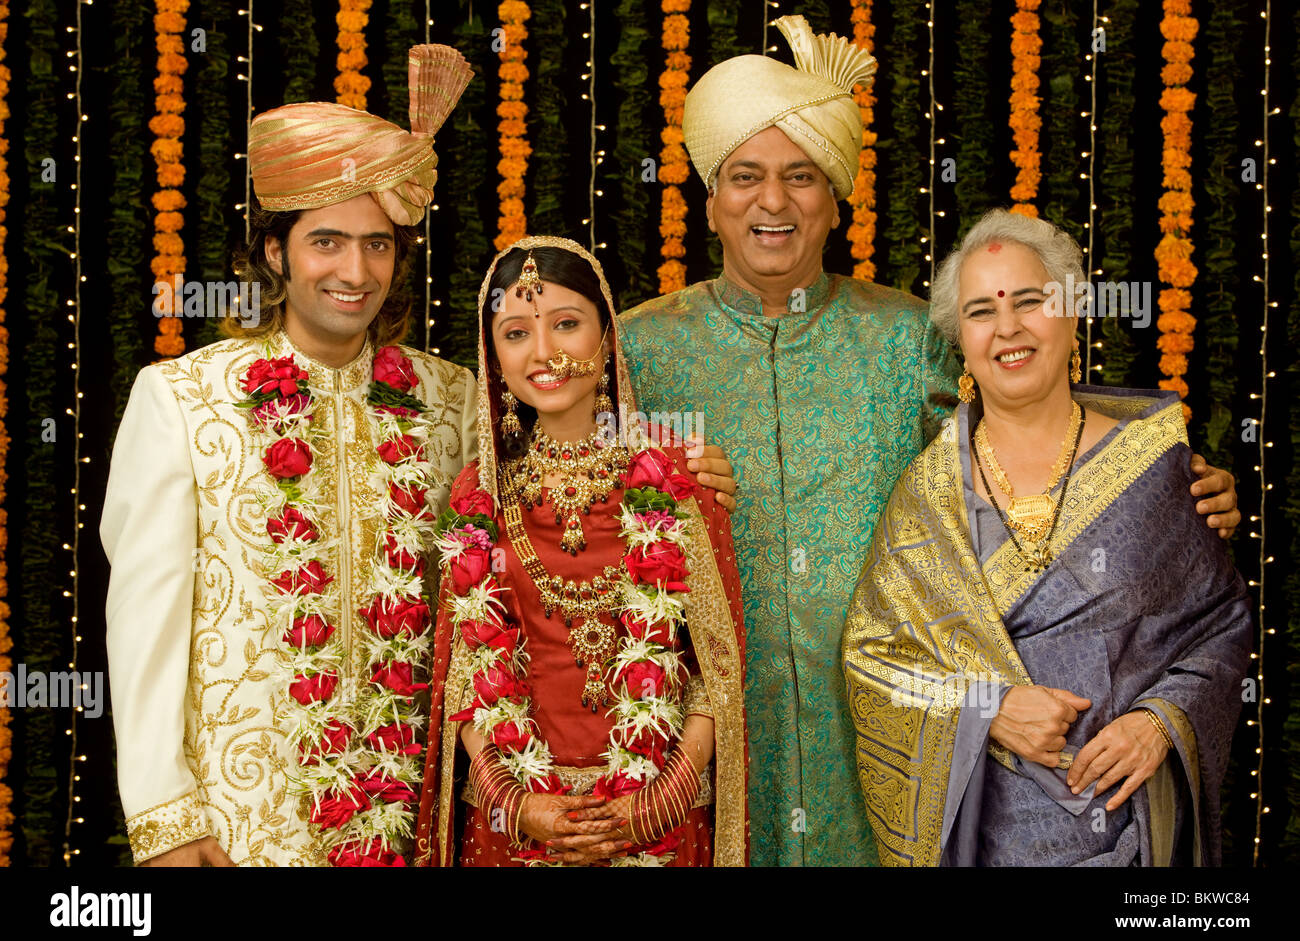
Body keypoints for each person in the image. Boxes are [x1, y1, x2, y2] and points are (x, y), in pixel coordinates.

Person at [616, 15, 1241, 866]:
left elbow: (1024, 389)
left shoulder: (906, 338)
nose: (773, 202)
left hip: (893, 737)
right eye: (745, 177)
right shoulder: (639, 350)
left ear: (835, 197)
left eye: (801, 176)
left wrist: (1159, 475)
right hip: (710, 730)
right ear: (711, 199)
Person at [100, 46, 479, 866]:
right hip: (240, 825)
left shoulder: (455, 402)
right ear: (275, 252)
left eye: (377, 246)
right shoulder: (181, 399)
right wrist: (166, 818)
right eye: (328, 243)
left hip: (418, 815)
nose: (354, 272)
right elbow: (142, 627)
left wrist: (680, 479)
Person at [842, 210, 1252, 866]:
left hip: (1137, 829)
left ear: (1070, 313)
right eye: (982, 311)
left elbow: (1222, 626)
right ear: (963, 342)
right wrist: (987, 710)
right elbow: (875, 663)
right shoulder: (926, 500)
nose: (1008, 327)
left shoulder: (1153, 466)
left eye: (1029, 301)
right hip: (995, 838)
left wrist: (1161, 723)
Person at [413, 237, 748, 866]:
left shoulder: (679, 478)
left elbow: (716, 666)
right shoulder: (481, 494)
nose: (544, 353)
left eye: (566, 324)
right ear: (493, 355)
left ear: (607, 336)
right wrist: (513, 802)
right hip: (519, 827)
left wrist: (664, 796)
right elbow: (464, 677)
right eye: (516, 333)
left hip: (658, 818)